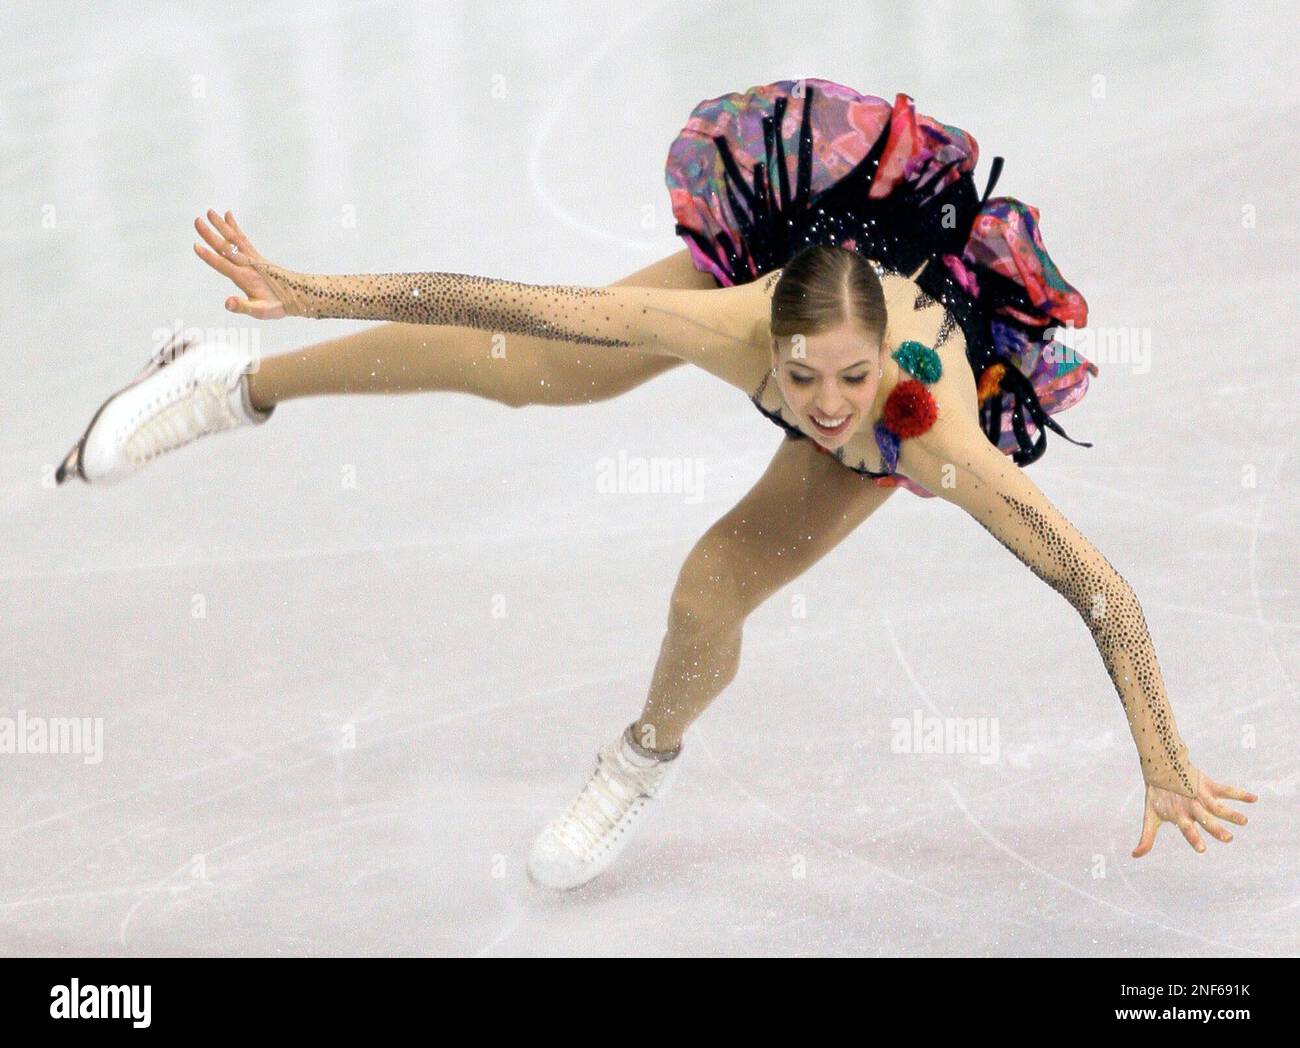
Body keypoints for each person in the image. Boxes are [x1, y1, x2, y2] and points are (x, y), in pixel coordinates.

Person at [56, 78, 1254, 891]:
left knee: (707, 591)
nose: (824, 403)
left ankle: (638, 757)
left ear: (886, 362)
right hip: (798, 278)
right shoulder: (733, 320)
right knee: (533, 370)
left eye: (848, 377)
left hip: (923, 380)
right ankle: (232, 384)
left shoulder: (928, 428)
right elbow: (511, 302)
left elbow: (1095, 583)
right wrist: (313, 290)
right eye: (803, 380)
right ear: (762, 345)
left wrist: (1158, 748)